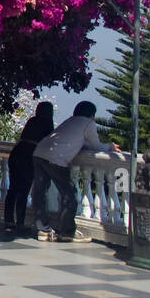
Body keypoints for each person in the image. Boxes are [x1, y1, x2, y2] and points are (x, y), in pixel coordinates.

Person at [31, 101, 120, 243]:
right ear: (92, 115)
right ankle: (67, 232)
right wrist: (109, 146)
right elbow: (96, 146)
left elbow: (77, 141)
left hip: (39, 153)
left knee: (40, 192)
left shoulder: (70, 120)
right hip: (56, 159)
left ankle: (43, 230)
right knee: (69, 195)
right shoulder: (88, 123)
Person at [4, 102, 54, 233]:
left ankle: (8, 220)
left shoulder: (32, 121)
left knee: (13, 188)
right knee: (23, 190)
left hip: (17, 152)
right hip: (28, 156)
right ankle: (20, 222)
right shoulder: (47, 124)